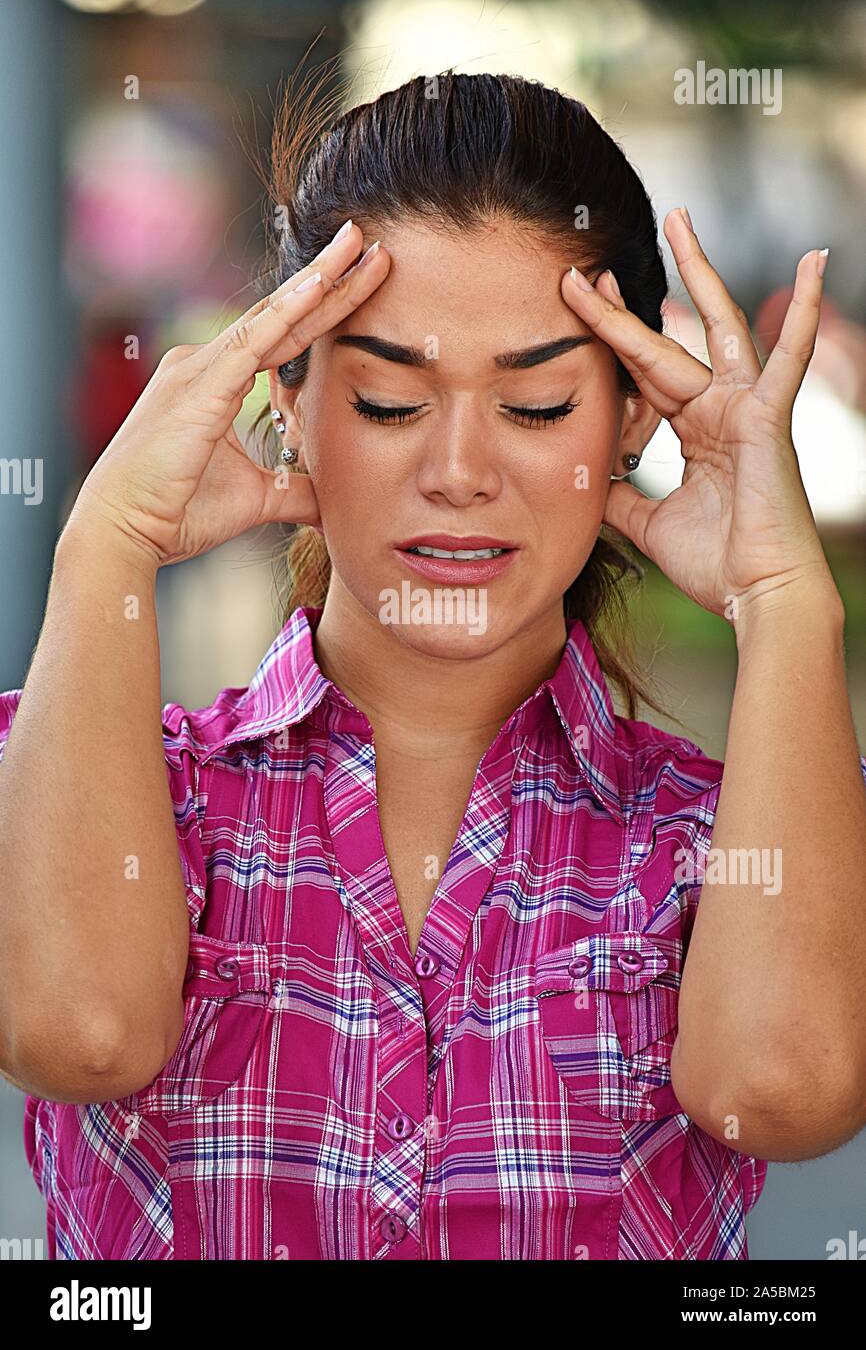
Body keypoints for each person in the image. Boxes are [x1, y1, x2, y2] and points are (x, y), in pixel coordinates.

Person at [0, 72, 864, 1262]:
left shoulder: (725, 835)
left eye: (537, 402)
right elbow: (77, 1032)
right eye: (393, 399)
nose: (458, 469)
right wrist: (103, 550)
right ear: (289, 403)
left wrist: (782, 602)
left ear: (626, 423)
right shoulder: (108, 786)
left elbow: (782, 1088)